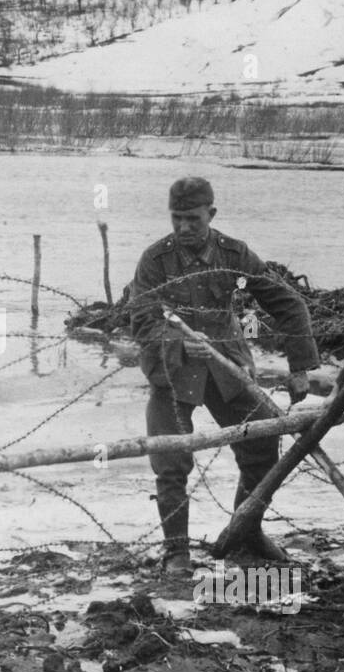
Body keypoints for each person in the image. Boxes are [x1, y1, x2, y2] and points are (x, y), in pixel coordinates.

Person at [128, 176, 320, 570]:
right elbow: (141, 321)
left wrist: (300, 367)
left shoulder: (234, 254)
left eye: (193, 219)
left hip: (227, 369)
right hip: (173, 370)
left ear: (211, 214)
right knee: (170, 460)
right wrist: (179, 341)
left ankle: (245, 531)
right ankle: (177, 551)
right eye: (176, 218)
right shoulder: (155, 260)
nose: (183, 228)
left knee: (264, 446)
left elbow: (289, 303)